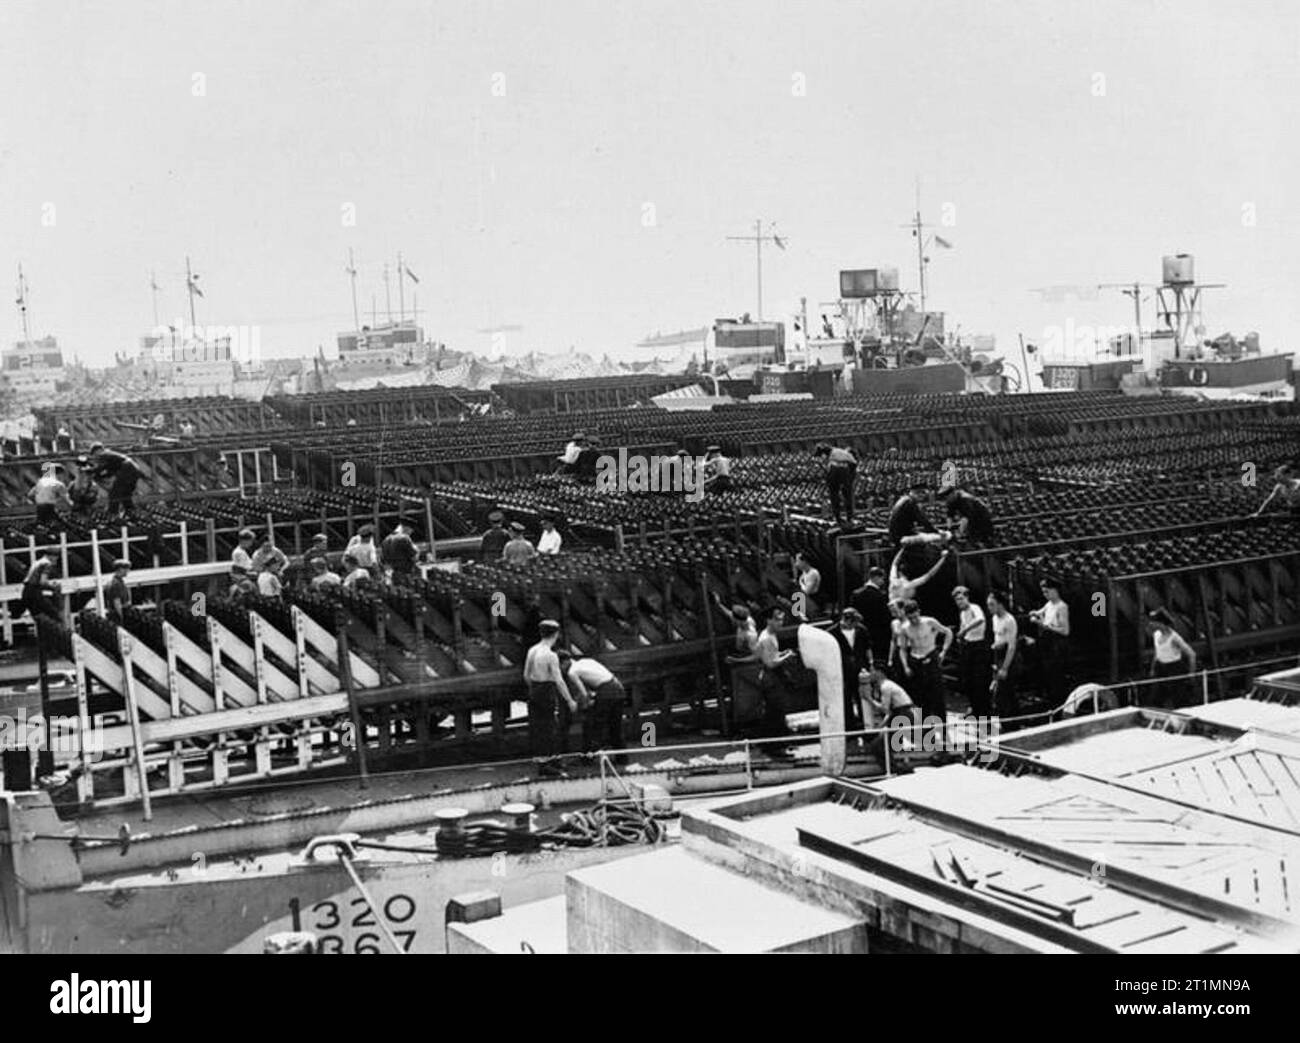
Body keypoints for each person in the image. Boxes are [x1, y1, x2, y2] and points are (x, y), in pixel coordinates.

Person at [523, 619, 577, 774]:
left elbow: (526, 675)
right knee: (550, 728)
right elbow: (559, 681)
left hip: (534, 689)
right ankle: (550, 765)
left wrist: (534, 688)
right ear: (556, 634)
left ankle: (543, 763)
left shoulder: (532, 650)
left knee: (537, 728)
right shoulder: (551, 655)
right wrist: (569, 700)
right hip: (547, 690)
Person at [896, 599, 953, 728]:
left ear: (919, 612)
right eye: (911, 618)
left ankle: (943, 727)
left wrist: (943, 651)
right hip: (916, 659)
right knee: (921, 696)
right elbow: (903, 649)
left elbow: (948, 632)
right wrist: (905, 666)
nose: (914, 620)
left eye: (916, 617)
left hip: (931, 656)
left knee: (937, 694)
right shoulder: (904, 628)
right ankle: (926, 729)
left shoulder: (929, 622)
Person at [560, 653, 627, 758]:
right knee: (615, 726)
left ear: (564, 662)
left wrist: (582, 704)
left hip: (606, 692)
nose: (560, 670)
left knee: (594, 727)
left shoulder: (572, 672)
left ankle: (588, 758)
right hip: (618, 688)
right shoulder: (586, 661)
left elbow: (584, 693)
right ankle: (622, 758)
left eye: (560, 666)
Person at [755, 607, 797, 760]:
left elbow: (773, 655)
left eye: (782, 619)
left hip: (773, 677)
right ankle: (773, 748)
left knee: (777, 712)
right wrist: (787, 657)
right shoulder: (766, 638)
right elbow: (770, 662)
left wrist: (783, 653)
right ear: (769, 620)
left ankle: (776, 744)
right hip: (771, 678)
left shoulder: (772, 635)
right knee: (775, 713)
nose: (781, 622)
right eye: (778, 619)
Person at [1028, 577, 1071, 706]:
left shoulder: (1061, 607)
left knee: (1056, 675)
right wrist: (1034, 613)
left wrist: (1044, 625)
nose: (1044, 594)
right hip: (1047, 643)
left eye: (1047, 591)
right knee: (1045, 672)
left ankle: (1058, 703)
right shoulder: (1049, 604)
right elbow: (1040, 612)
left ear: (1054, 591)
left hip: (1056, 644)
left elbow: (1065, 631)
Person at [830, 607, 871, 739]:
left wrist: (870, 664)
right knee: (845, 699)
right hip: (843, 670)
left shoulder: (861, 630)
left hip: (860, 668)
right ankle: (850, 728)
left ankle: (865, 726)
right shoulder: (832, 633)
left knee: (862, 698)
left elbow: (868, 647)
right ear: (846, 621)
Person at [950, 586, 991, 717]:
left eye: (961, 599)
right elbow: (962, 627)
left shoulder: (974, 608)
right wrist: (960, 635)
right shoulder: (962, 613)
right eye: (957, 600)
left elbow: (980, 620)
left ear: (967, 598)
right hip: (968, 647)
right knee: (968, 681)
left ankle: (984, 713)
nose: (959, 602)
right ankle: (974, 708)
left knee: (980, 681)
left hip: (979, 647)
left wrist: (965, 630)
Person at [859, 665, 916, 756]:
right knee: (881, 741)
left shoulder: (886, 686)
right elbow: (889, 713)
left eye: (872, 671)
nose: (870, 674)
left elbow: (885, 709)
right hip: (902, 714)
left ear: (879, 673)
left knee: (879, 745)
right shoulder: (886, 685)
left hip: (904, 714)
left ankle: (892, 766)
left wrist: (869, 699)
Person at [1148, 608, 1197, 708]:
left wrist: (1191, 674)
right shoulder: (1156, 635)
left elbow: (1191, 654)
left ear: (1161, 623)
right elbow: (1157, 652)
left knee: (1179, 699)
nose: (1151, 624)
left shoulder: (1174, 638)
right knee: (1156, 698)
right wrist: (1152, 668)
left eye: (1154, 621)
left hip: (1174, 669)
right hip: (1161, 668)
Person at [987, 590, 1020, 725]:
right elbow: (999, 637)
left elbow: (1012, 646)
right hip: (998, 655)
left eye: (992, 605)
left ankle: (1007, 723)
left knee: (1002, 692)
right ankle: (1011, 722)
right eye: (988, 605)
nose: (990, 608)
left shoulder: (1009, 620)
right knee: (1005, 692)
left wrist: (1005, 668)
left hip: (1008, 657)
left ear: (1000, 604)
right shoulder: (995, 618)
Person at [850, 566, 893, 666]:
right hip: (878, 634)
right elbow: (885, 617)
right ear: (876, 578)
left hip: (861, 631)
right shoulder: (881, 596)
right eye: (882, 579)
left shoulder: (856, 594)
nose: (882, 582)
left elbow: (853, 613)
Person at [88, 442, 142, 516]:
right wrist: (99, 476)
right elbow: (109, 470)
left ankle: (112, 513)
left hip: (126, 468)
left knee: (114, 493)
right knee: (125, 493)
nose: (95, 457)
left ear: (97, 450)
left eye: (94, 454)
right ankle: (130, 511)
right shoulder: (111, 455)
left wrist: (91, 471)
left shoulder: (103, 454)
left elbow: (101, 468)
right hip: (134, 469)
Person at [813, 443, 858, 524]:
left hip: (838, 470)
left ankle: (838, 517)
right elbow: (853, 466)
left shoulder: (835, 454)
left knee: (835, 494)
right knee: (847, 495)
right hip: (845, 470)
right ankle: (849, 517)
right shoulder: (841, 453)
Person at [888, 481, 936, 545]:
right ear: (916, 493)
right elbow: (923, 521)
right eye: (922, 493)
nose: (923, 496)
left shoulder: (905, 499)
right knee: (935, 538)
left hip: (897, 535)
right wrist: (936, 531)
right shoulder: (910, 502)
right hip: (901, 536)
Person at [712, 593, 758, 657]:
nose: (733, 621)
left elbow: (754, 653)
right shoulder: (742, 619)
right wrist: (718, 603)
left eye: (735, 620)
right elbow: (729, 613)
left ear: (738, 621)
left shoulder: (750, 633)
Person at [21, 557, 61, 625]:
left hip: (25, 591)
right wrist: (53, 587)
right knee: (54, 615)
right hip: (34, 591)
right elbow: (43, 582)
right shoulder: (47, 564)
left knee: (38, 616)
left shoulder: (37, 562)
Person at [793, 551, 821, 619]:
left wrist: (799, 584)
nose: (796, 564)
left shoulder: (813, 573)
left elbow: (807, 592)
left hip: (812, 600)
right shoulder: (803, 573)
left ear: (804, 562)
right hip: (804, 599)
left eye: (798, 561)